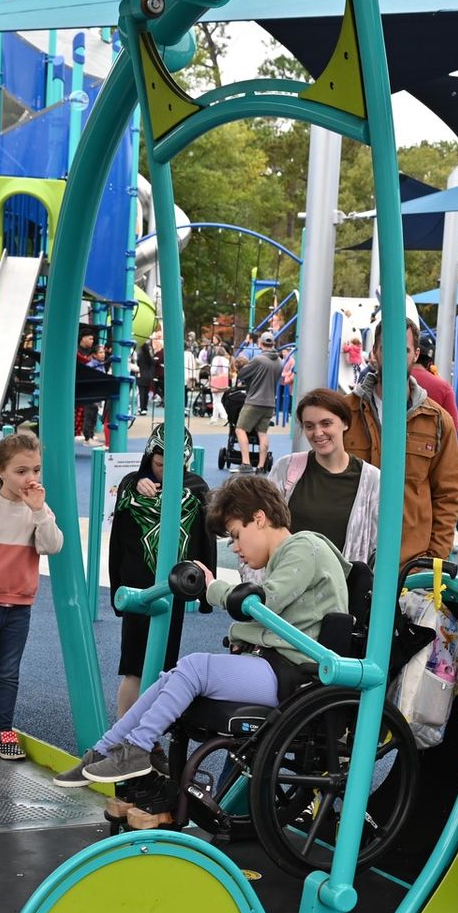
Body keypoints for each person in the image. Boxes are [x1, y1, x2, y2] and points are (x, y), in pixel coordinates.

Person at [56, 474, 349, 787]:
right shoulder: (292, 555)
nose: (235, 548)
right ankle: (103, 749)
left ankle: (139, 749)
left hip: (297, 675)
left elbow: (262, 603)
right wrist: (239, 632)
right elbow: (269, 621)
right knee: (171, 678)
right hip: (283, 667)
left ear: (259, 518)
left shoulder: (304, 546)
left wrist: (212, 588)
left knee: (194, 667)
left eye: (236, 535)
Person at [0, 432, 64, 760]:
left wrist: (38, 511)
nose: (30, 478)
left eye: (35, 470)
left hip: (19, 606)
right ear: (0, 471)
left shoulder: (39, 509)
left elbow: (52, 545)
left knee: (8, 672)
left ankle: (1, 731)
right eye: (21, 471)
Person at [109, 425, 217, 715]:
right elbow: (116, 541)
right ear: (149, 458)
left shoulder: (195, 487)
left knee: (163, 670)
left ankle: (148, 739)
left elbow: (207, 540)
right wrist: (135, 485)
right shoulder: (132, 484)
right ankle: (120, 736)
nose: (165, 472)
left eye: (174, 466)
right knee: (133, 667)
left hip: (172, 590)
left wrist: (206, 590)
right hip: (138, 590)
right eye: (158, 465)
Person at [342, 320, 458, 569]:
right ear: (375, 352)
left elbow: (448, 495)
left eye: (405, 350)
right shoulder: (345, 413)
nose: (397, 357)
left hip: (409, 561)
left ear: (416, 354)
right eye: (388, 348)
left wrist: (433, 557)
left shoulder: (437, 421)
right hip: (349, 557)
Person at [267, 388, 382, 564]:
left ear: (345, 423)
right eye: (309, 426)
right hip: (287, 585)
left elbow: (377, 544)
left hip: (343, 588)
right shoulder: (285, 469)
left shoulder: (371, 480)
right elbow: (261, 529)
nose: (318, 433)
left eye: (326, 423)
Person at [233, 333, 281, 471]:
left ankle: (246, 463)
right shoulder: (279, 362)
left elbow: (242, 374)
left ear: (260, 343)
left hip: (254, 401)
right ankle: (260, 465)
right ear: (273, 343)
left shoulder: (259, 359)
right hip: (270, 403)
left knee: (240, 429)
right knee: (262, 433)